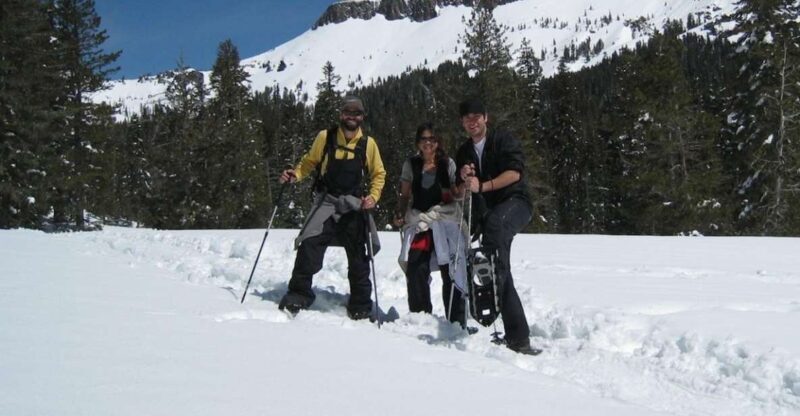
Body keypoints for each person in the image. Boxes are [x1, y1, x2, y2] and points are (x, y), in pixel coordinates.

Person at [278, 96, 386, 320]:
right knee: (309, 243)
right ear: (341, 114)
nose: (352, 117)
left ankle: (360, 303)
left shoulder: (368, 144)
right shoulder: (325, 137)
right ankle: (298, 293)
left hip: (352, 205)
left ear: (362, 117)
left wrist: (373, 197)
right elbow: (309, 162)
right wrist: (295, 175)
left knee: (359, 254)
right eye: (348, 112)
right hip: (327, 201)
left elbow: (378, 174)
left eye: (356, 113)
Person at [454, 99, 541, 355]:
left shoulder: (503, 140)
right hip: (490, 214)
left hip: (516, 202)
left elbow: (515, 173)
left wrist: (483, 186)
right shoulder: (464, 152)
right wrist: (463, 179)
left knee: (494, 256)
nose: (472, 122)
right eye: (467, 118)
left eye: (476, 116)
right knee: (497, 267)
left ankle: (519, 337)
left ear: (485, 117)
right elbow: (459, 192)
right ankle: (517, 336)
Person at [394, 123, 468, 327]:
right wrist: (400, 212)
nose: (428, 143)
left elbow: (455, 193)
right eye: (424, 139)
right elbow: (405, 194)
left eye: (432, 139)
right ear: (418, 142)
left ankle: (456, 319)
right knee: (416, 266)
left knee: (451, 267)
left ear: (438, 142)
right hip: (421, 222)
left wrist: (464, 186)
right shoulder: (411, 164)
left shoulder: (447, 164)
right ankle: (420, 317)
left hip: (445, 220)